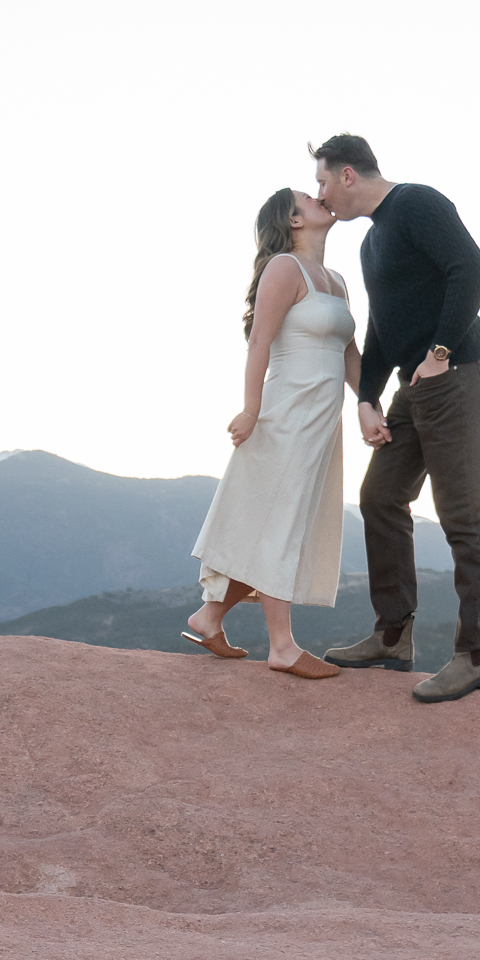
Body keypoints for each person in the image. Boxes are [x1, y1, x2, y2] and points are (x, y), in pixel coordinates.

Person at [311, 133, 480, 702]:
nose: (320, 196)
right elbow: (384, 326)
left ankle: (474, 656)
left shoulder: (417, 203)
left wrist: (440, 352)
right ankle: (392, 636)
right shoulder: (372, 242)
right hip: (414, 388)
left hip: (457, 373)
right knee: (381, 496)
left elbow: (472, 269)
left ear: (348, 175)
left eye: (323, 181)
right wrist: (366, 397)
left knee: (461, 513)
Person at [186, 186, 358, 680]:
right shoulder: (284, 268)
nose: (321, 197)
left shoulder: (337, 281)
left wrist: (370, 404)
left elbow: (350, 352)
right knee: (279, 523)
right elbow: (259, 340)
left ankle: (209, 617)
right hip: (286, 414)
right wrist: (250, 409)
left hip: (323, 419)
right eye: (308, 197)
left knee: (283, 522)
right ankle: (282, 646)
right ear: (294, 219)